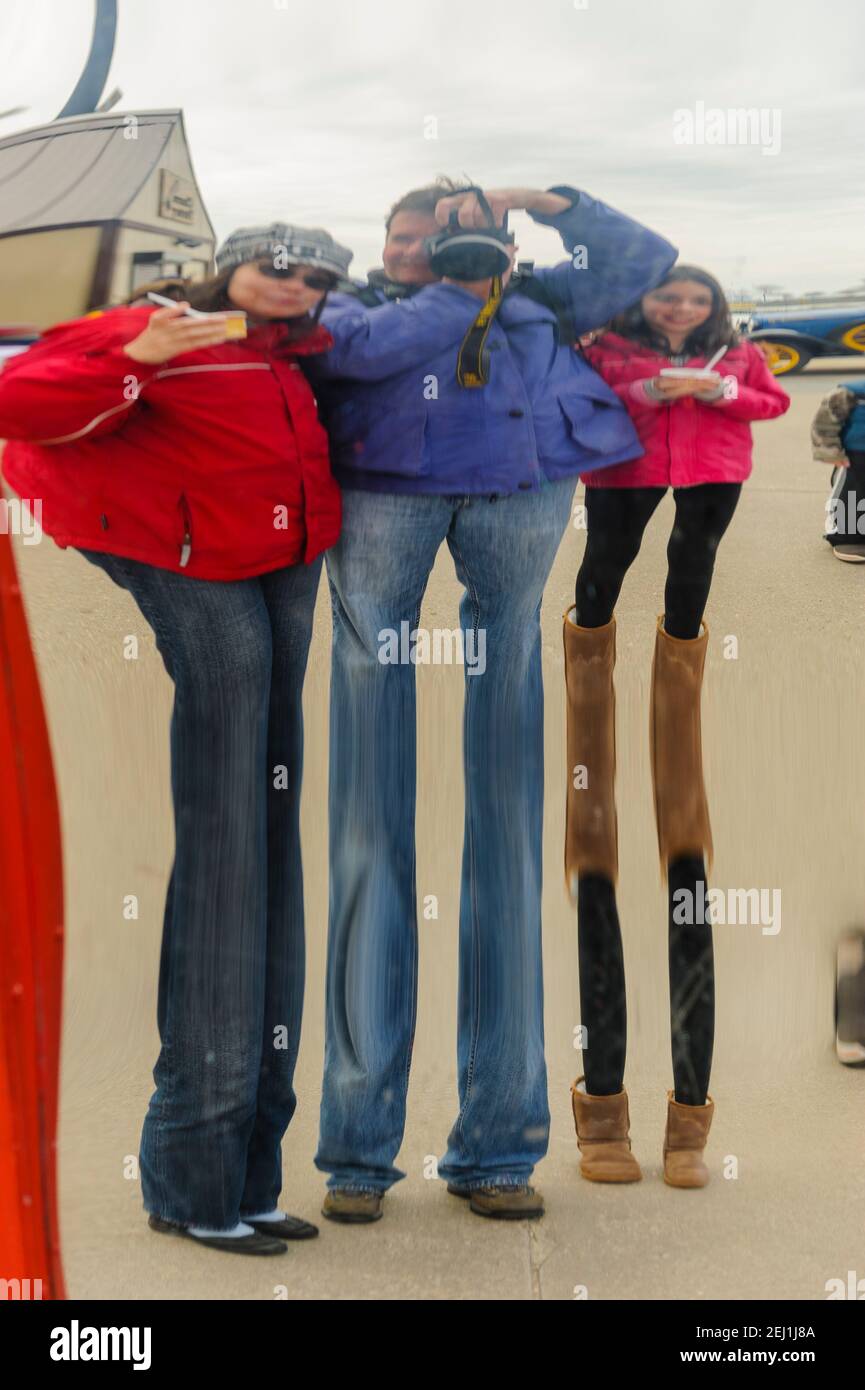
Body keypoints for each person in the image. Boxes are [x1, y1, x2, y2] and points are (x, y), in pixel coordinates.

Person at [302, 178, 678, 1223]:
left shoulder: (546, 298)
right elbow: (354, 360)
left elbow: (644, 259)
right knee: (368, 833)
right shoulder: (353, 303)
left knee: (507, 833)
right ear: (382, 245)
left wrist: (549, 201)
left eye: (453, 238)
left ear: (497, 240)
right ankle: (357, 1154)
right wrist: (465, 285)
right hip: (382, 502)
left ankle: (498, 1150)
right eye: (406, 236)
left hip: (519, 499)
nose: (422, 249)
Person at [0, 223, 352, 1256]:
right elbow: (18, 402)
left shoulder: (291, 349)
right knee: (229, 860)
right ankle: (192, 1175)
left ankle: (244, 1174)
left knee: (268, 851)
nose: (294, 284)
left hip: (282, 560)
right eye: (277, 264)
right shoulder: (149, 324)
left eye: (313, 275)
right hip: (196, 564)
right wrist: (135, 357)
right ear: (233, 261)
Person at [563, 266, 790, 1187]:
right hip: (623, 474)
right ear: (646, 305)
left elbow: (768, 405)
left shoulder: (737, 351)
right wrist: (643, 389)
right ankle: (589, 668)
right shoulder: (610, 345)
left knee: (689, 582)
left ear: (713, 309)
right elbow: (582, 393)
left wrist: (719, 388)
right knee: (602, 571)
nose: (682, 311)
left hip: (709, 475)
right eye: (669, 299)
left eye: (695, 301)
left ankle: (675, 685)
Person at [811, 377, 865, 562]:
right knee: (852, 494)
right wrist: (830, 451)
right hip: (857, 455)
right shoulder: (852, 392)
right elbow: (825, 421)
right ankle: (848, 536)